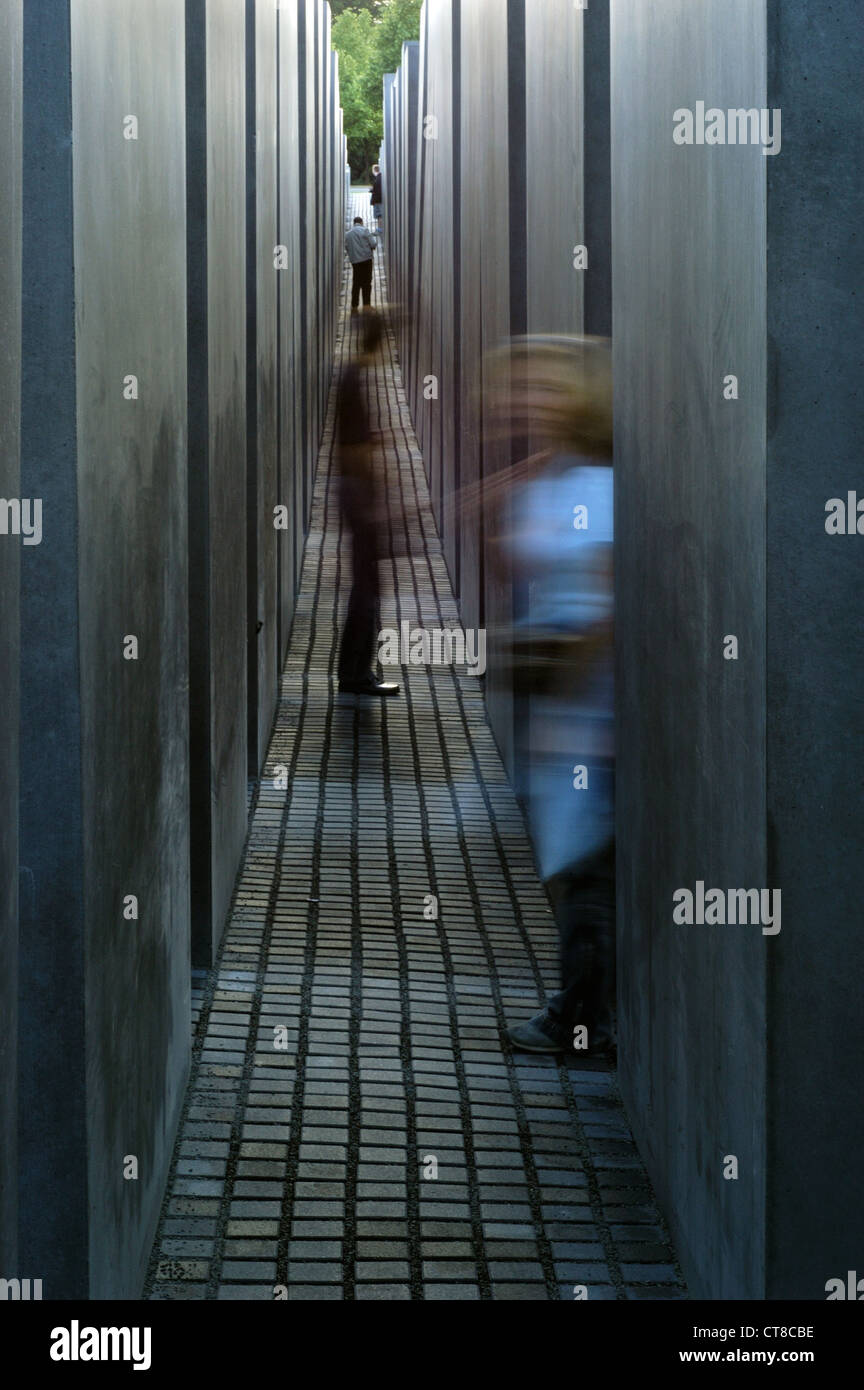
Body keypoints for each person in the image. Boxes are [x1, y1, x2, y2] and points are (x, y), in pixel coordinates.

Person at [473, 337, 616, 1057]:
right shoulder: (557, 476)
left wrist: (558, 673)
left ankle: (582, 1020)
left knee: (587, 869)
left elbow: (604, 604)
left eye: (546, 388)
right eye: (518, 388)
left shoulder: (596, 486)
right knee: (573, 864)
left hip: (592, 716)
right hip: (564, 717)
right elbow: (519, 566)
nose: (525, 401)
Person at [336, 311, 400, 698]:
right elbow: (354, 449)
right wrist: (373, 505)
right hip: (358, 494)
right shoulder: (354, 380)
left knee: (367, 585)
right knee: (366, 587)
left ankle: (357, 670)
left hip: (354, 492)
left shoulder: (351, 376)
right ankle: (356, 674)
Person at [345, 216, 377, 312]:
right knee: (367, 282)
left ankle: (354, 305)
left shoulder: (348, 234)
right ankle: (366, 304)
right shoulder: (365, 230)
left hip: (355, 262)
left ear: (354, 223)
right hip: (366, 260)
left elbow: (347, 247)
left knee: (356, 282)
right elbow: (373, 244)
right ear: (361, 222)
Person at [370, 164, 383, 238]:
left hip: (378, 200)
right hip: (379, 200)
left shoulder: (378, 178)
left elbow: (378, 190)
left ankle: (380, 230)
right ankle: (379, 229)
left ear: (374, 170)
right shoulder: (380, 177)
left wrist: (372, 190)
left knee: (379, 215)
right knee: (379, 215)